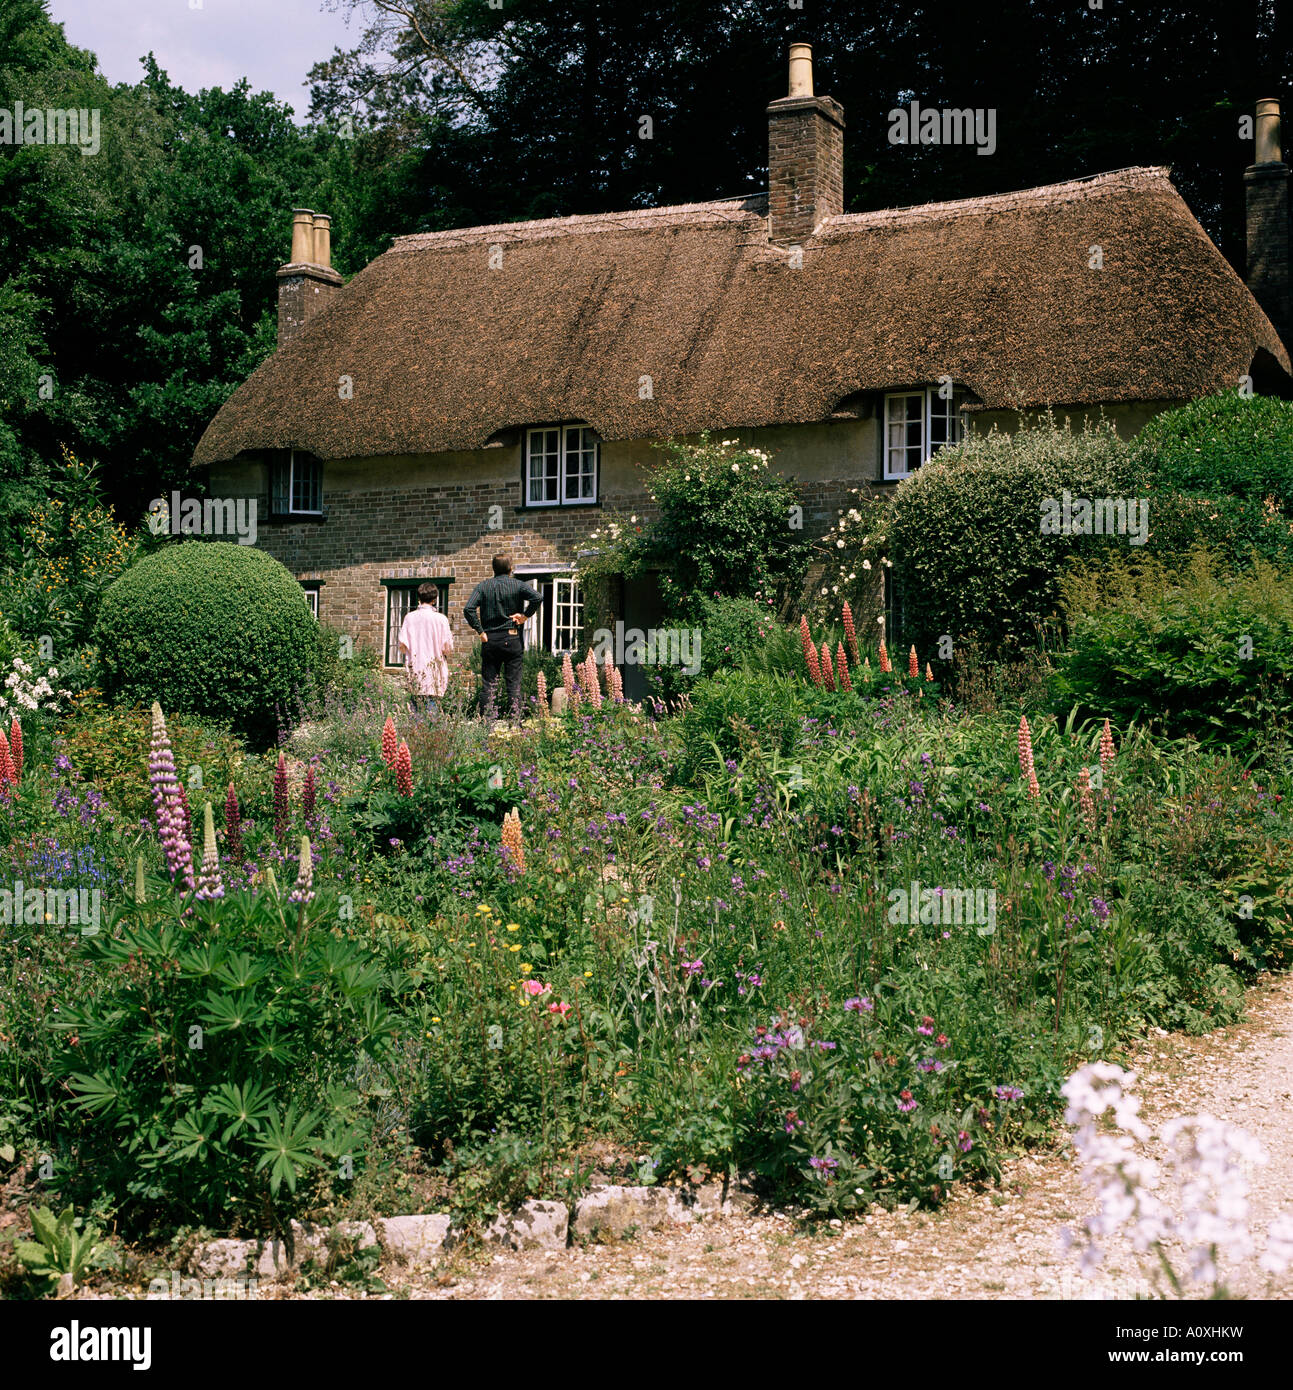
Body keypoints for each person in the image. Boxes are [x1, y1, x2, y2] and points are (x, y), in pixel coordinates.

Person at [463, 555, 543, 722]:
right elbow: (537, 597)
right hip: (512, 637)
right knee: (514, 684)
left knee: (488, 685)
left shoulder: (483, 586)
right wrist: (525, 616)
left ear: (493, 568)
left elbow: (469, 608)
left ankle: (487, 723)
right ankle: (515, 723)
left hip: (490, 639)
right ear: (510, 568)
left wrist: (480, 631)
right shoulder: (517, 585)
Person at [397, 583, 455, 713]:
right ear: (434, 599)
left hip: (415, 670)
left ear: (419, 598)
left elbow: (402, 646)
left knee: (415, 713)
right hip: (434, 672)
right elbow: (448, 649)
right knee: (431, 716)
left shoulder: (409, 618)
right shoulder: (441, 619)